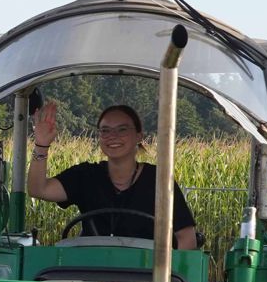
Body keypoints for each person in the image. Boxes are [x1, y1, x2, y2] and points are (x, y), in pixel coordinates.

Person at [29, 102, 197, 249]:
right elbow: (39, 189)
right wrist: (41, 145)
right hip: (92, 271)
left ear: (139, 136)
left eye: (122, 129)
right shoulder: (85, 175)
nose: (112, 136)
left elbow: (187, 239)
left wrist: (156, 267)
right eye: (105, 131)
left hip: (144, 276)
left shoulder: (159, 181)